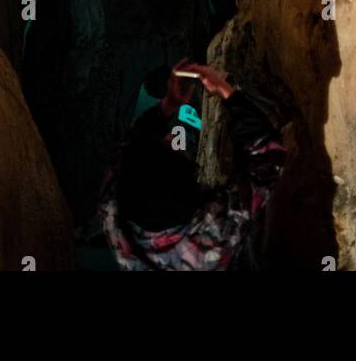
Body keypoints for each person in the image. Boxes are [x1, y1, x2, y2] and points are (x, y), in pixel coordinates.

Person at [99, 60, 286, 270]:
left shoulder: (114, 211)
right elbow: (268, 158)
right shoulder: (212, 236)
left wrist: (168, 104)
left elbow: (131, 148)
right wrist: (225, 91)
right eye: (171, 149)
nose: (171, 136)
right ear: (192, 190)